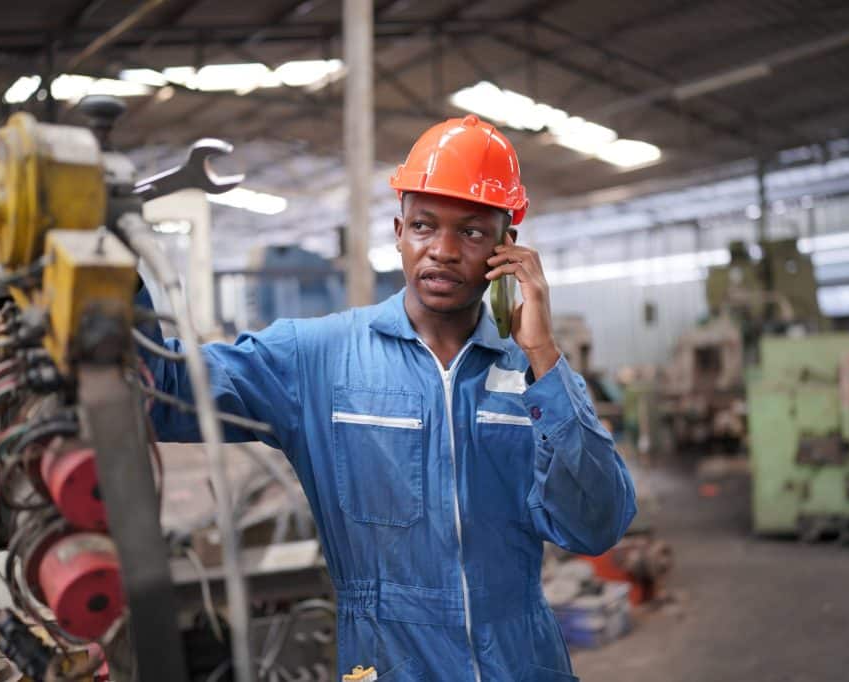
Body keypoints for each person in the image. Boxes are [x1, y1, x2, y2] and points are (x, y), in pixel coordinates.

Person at [141, 114, 636, 681]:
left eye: (472, 232)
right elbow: (165, 389)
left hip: (523, 664)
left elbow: (597, 524)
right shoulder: (318, 360)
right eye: (425, 226)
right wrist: (108, 265)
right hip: (390, 664)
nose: (443, 251)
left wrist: (545, 354)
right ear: (399, 232)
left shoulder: (534, 373)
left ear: (508, 247)